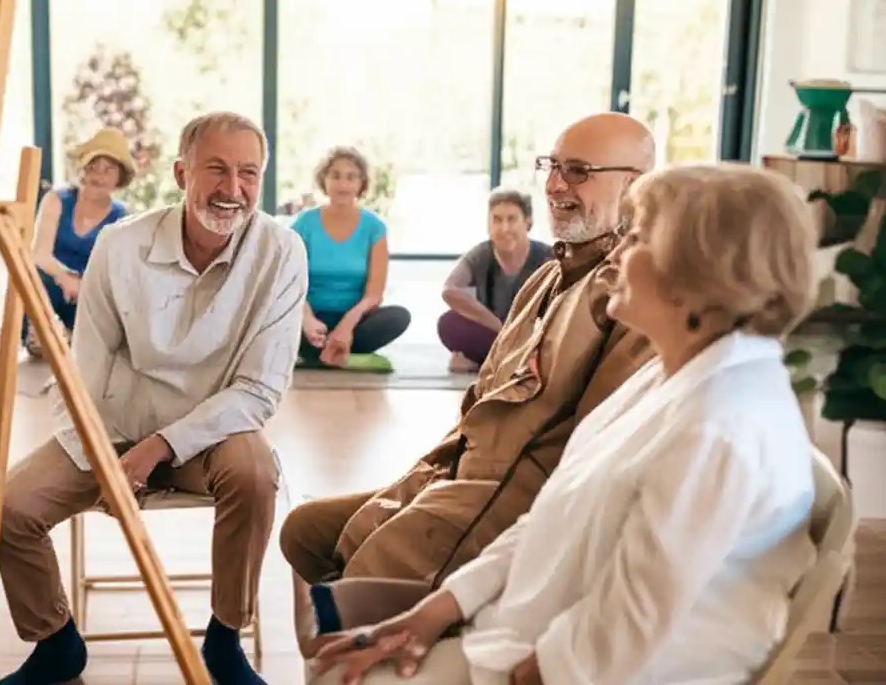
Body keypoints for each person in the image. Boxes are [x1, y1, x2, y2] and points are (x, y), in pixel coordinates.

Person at [308, 162, 820, 685]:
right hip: (524, 630)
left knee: (337, 674)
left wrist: (524, 674)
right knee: (336, 656)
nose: (615, 254)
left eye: (638, 238)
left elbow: (629, 627)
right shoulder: (670, 377)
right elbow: (554, 514)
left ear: (698, 271)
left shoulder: (719, 425)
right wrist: (435, 611)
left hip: (575, 667)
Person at [279, 112, 658, 651]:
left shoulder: (632, 297)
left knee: (361, 570)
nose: (554, 185)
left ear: (636, 186)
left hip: (508, 504)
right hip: (453, 473)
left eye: (579, 172)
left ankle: (355, 653)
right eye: (552, 166)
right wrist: (418, 484)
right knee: (305, 530)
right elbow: (479, 405)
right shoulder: (547, 276)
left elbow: (589, 458)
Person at [0, 111, 306, 685]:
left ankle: (223, 638)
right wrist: (102, 460)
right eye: (216, 170)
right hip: (111, 431)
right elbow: (83, 372)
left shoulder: (281, 251)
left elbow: (259, 389)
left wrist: (159, 449)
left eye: (248, 173)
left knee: (257, 474)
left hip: (210, 437)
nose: (232, 189)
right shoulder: (120, 245)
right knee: (4, 510)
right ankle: (56, 642)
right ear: (181, 172)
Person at [290, 147, 410, 367]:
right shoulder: (304, 224)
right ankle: (330, 350)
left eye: (351, 177)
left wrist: (346, 327)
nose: (342, 184)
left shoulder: (374, 227)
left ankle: (329, 350)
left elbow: (374, 295)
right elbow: (291, 281)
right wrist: (306, 320)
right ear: (324, 180)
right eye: (335, 176)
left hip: (355, 320)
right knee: (269, 316)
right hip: (309, 317)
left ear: (361, 184)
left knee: (399, 316)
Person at [22, 127, 133, 356]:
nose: (98, 176)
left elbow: (115, 273)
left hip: (88, 296)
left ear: (118, 179)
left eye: (108, 170)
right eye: (92, 167)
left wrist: (83, 286)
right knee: (35, 279)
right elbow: (39, 254)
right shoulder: (56, 200)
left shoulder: (122, 216)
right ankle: (42, 335)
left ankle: (67, 338)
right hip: (50, 287)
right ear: (81, 170)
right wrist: (65, 276)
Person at [438, 189, 552, 372]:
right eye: (497, 220)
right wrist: (500, 327)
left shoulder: (548, 257)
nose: (504, 228)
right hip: (495, 335)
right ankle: (514, 363)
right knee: (449, 323)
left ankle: (490, 364)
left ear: (527, 222)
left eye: (512, 219)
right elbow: (449, 290)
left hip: (532, 337)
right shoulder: (480, 254)